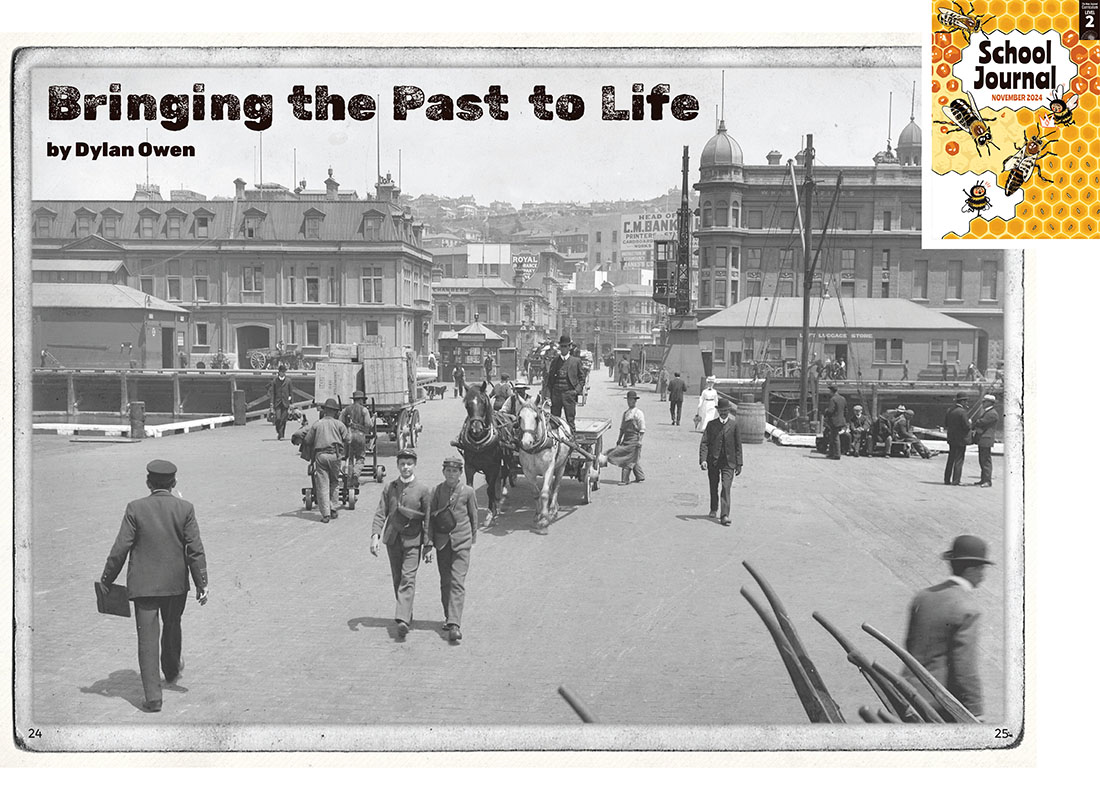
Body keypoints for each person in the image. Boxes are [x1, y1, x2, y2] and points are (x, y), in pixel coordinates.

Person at [100, 459, 209, 713]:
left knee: (147, 640)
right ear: (174, 483)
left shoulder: (135, 508)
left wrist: (107, 578)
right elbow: (195, 550)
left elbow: (120, 548)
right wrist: (202, 583)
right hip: (175, 585)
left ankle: (153, 698)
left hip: (144, 585)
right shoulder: (185, 508)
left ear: (148, 483)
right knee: (172, 624)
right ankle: (170, 669)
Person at [904, 534, 993, 720]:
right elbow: (965, 668)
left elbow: (910, 645)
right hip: (937, 705)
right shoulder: (967, 609)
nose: (983, 575)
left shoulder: (923, 596)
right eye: (982, 569)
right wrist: (975, 711)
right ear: (971, 570)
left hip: (907, 692)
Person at [370, 448, 432, 639]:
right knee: (398, 578)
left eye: (409, 464)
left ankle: (402, 619)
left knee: (408, 577)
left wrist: (428, 546)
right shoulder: (390, 487)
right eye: (402, 464)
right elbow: (381, 512)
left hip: (413, 540)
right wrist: (375, 535)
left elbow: (428, 519)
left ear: (415, 465)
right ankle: (406, 611)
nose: (405, 468)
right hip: (393, 539)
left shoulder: (423, 490)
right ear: (397, 465)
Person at [425, 456, 479, 643]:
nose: (451, 474)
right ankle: (449, 617)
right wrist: (428, 544)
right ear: (443, 472)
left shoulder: (468, 492)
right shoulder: (437, 491)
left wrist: (472, 539)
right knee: (446, 582)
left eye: (455, 471)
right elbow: (430, 519)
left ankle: (455, 624)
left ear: (460, 473)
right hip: (442, 543)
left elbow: (474, 516)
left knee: (457, 582)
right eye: (448, 471)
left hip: (462, 542)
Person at [302, 397, 349, 522]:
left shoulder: (317, 424)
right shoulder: (339, 424)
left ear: (325, 410)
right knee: (334, 481)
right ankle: (333, 508)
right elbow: (348, 439)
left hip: (321, 456)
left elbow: (307, 440)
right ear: (335, 412)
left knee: (322, 484)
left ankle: (326, 514)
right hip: (335, 456)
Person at [699, 397, 742, 526]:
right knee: (713, 485)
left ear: (729, 411)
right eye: (721, 411)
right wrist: (703, 460)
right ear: (718, 411)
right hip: (713, 460)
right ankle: (713, 508)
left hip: (729, 462)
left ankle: (724, 515)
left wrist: (739, 464)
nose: (723, 413)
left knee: (726, 486)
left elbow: (738, 446)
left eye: (725, 411)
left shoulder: (734, 425)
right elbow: (704, 443)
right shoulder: (711, 425)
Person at [545, 334, 582, 432]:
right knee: (554, 422)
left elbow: (581, 379)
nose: (564, 349)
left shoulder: (576, 361)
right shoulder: (555, 361)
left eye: (566, 346)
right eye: (562, 346)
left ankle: (572, 444)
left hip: (569, 395)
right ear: (559, 347)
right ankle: (555, 445)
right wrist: (548, 396)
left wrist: (576, 391)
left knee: (570, 421)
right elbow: (550, 381)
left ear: (569, 347)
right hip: (556, 395)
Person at [340, 390, 374, 487]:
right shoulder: (364, 410)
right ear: (360, 400)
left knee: (349, 457)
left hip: (348, 434)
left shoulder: (345, 410)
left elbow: (340, 422)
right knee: (360, 457)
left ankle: (349, 477)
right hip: (359, 435)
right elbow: (368, 424)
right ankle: (356, 473)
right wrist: (373, 419)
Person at [616, 389, 646, 484]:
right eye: (628, 400)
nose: (630, 402)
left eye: (632, 400)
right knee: (633, 458)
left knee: (628, 459)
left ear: (635, 401)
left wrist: (639, 441)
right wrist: (619, 439)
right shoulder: (625, 413)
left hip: (634, 438)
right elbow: (622, 428)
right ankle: (640, 476)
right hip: (626, 438)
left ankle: (625, 480)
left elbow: (642, 429)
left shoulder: (638, 413)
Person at [944, 392, 971, 486]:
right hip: (961, 439)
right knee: (959, 460)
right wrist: (970, 422)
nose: (967, 403)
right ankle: (956, 480)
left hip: (951, 438)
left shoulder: (949, 410)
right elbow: (967, 426)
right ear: (963, 401)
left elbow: (946, 424)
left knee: (950, 459)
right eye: (966, 401)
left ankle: (947, 479)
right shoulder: (962, 412)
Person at [972, 394, 999, 488]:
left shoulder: (992, 413)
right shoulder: (988, 412)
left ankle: (987, 481)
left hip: (986, 438)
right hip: (983, 438)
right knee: (982, 460)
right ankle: (983, 479)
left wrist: (975, 422)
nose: (983, 403)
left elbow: (981, 422)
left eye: (984, 402)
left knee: (986, 461)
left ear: (989, 403)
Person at [267, 363, 295, 440]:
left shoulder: (288, 381)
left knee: (284, 419)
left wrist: (292, 402)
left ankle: (281, 435)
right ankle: (278, 429)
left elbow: (291, 392)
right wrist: (271, 403)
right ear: (279, 372)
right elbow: (273, 393)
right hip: (277, 402)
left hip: (286, 402)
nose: (283, 373)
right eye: (281, 371)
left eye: (284, 372)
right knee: (278, 418)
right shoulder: (275, 381)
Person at [824, 384, 847, 460]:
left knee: (835, 437)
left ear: (831, 391)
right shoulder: (843, 398)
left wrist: (826, 412)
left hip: (834, 421)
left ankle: (837, 454)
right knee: (832, 436)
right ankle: (831, 453)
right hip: (841, 420)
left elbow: (830, 411)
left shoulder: (833, 399)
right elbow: (846, 410)